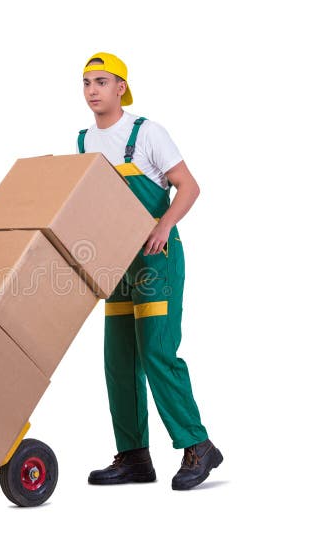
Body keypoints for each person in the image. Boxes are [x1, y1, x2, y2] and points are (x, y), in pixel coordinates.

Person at [78, 52, 223, 490]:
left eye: (100, 82)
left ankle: (198, 445)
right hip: (117, 263)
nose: (91, 91)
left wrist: (163, 226)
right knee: (118, 359)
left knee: (157, 352)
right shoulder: (85, 140)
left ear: (120, 86)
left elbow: (189, 186)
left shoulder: (146, 133)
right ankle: (134, 457)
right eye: (85, 83)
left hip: (156, 259)